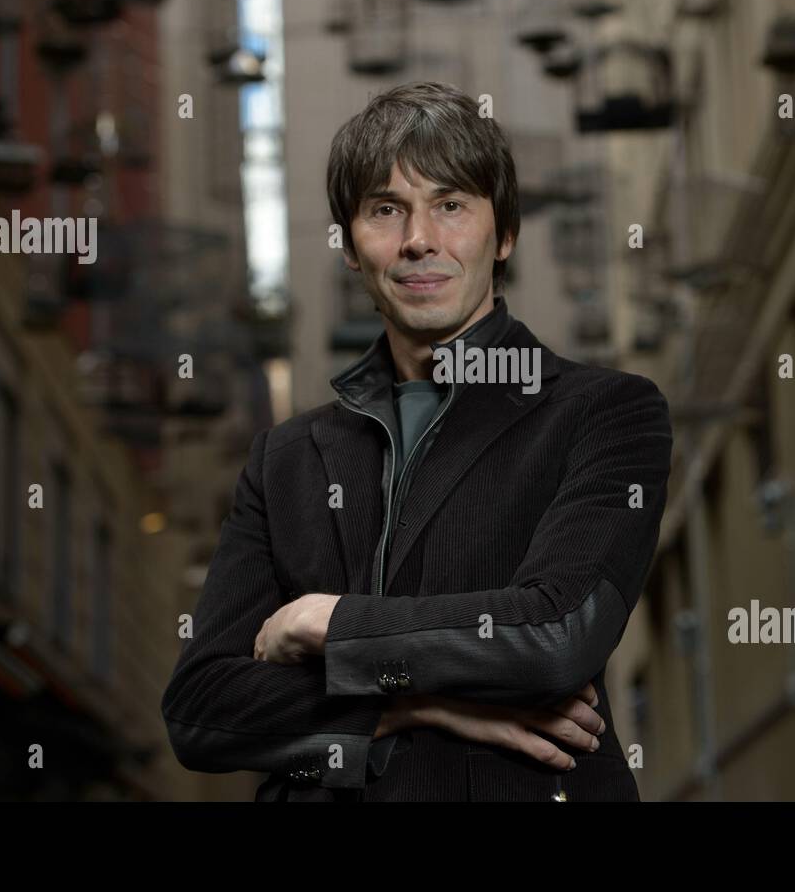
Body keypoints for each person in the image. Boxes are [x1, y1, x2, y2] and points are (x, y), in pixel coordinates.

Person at [161, 81, 672, 801]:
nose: (419, 239)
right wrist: (411, 704)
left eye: (452, 204)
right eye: (384, 209)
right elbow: (201, 712)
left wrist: (326, 621)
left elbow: (555, 633)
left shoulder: (606, 412)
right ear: (349, 245)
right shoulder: (285, 459)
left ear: (506, 235)